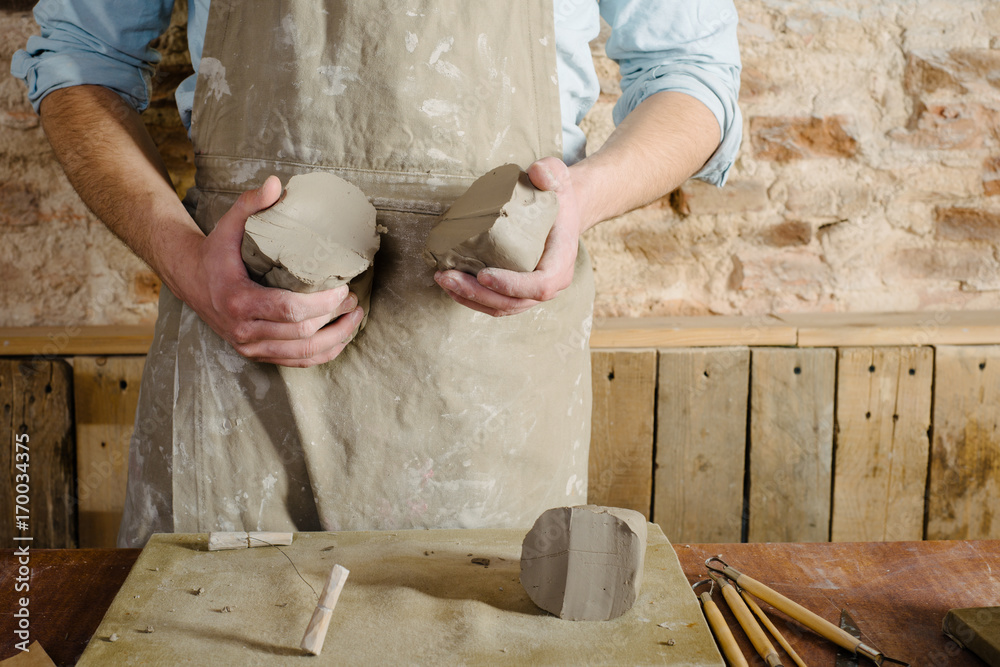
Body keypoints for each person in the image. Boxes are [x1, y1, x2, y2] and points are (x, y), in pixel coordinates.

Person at [12, 0, 742, 547]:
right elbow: (81, 58)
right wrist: (184, 261)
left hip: (482, 389)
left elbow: (692, 74)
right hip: (240, 361)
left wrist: (576, 200)